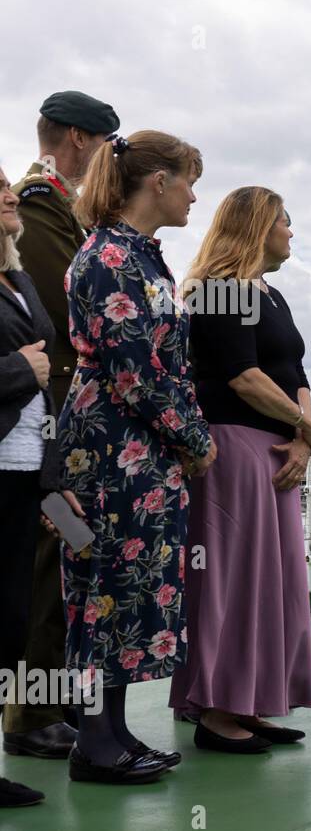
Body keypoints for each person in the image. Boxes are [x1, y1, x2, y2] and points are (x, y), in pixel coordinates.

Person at [61, 130, 214, 784]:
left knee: (127, 596)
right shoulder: (106, 258)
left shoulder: (144, 257)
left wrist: (180, 441)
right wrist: (196, 438)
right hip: (105, 455)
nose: (193, 195)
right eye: (188, 181)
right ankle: (93, 741)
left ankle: (113, 729)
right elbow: (134, 371)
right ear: (157, 182)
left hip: (143, 455)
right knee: (100, 593)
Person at [169, 187, 311, 752]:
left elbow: (295, 372)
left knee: (273, 582)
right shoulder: (216, 291)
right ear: (258, 226)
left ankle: (249, 700)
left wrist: (303, 438)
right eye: (285, 221)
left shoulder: (270, 296)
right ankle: (214, 709)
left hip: (278, 452)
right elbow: (241, 375)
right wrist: (305, 429)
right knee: (230, 582)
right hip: (233, 449)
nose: (290, 232)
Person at [5, 90, 118, 760]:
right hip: (40, 422)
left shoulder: (55, 207)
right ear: (79, 138)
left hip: (54, 421)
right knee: (47, 560)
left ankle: (52, 702)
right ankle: (29, 715)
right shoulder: (40, 205)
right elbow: (64, 314)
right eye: (107, 144)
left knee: (64, 554)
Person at [0, 165, 59, 806]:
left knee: (10, 620)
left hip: (20, 474)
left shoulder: (19, 280)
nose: (10, 195)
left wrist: (48, 483)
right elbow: (32, 369)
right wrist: (19, 367)